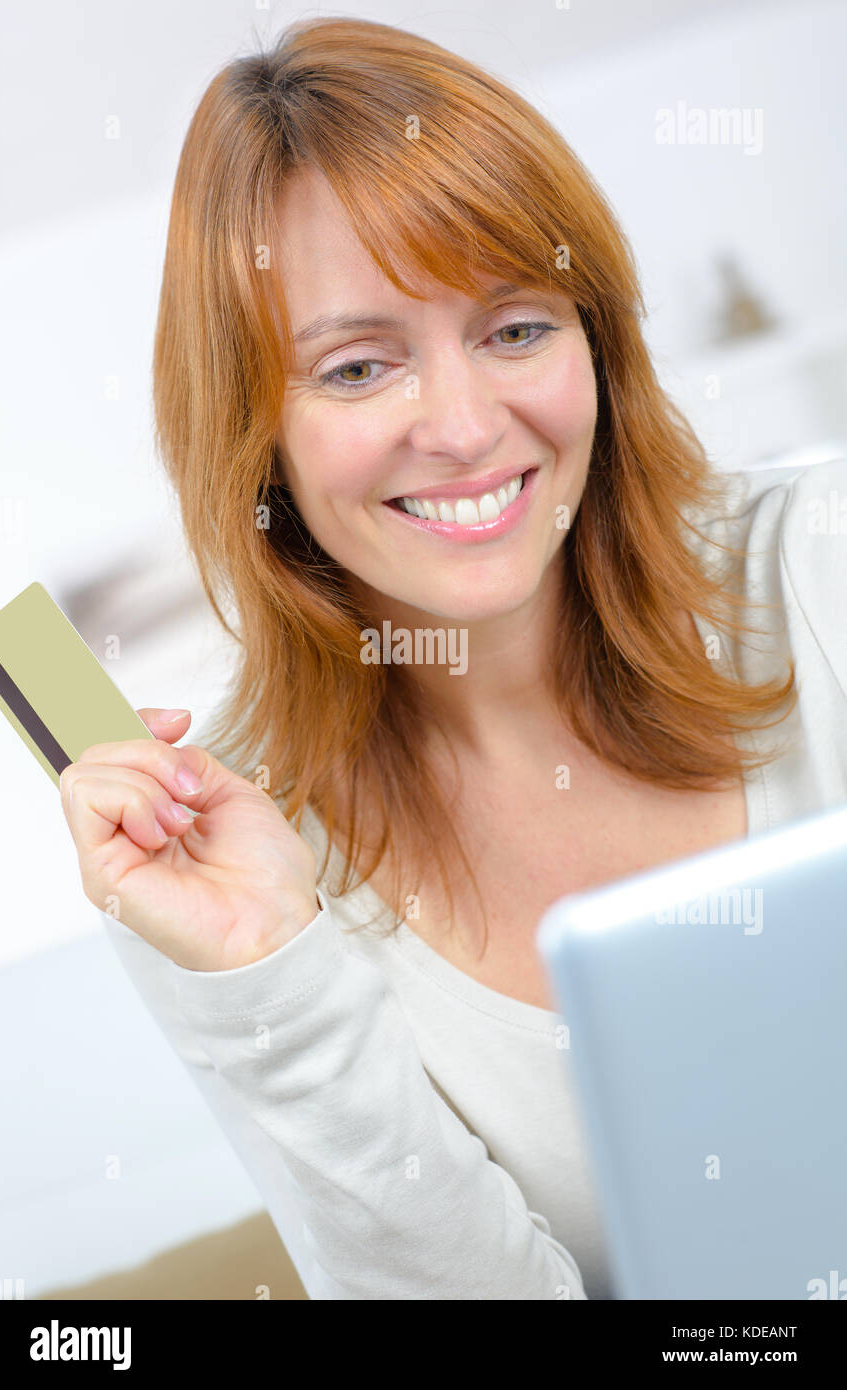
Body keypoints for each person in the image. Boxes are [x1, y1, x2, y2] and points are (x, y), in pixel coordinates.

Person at [59, 16, 847, 1300]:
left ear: (598, 341)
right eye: (360, 367)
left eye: (517, 328)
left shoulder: (821, 564)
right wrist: (274, 968)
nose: (471, 427)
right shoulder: (225, 852)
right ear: (255, 436)